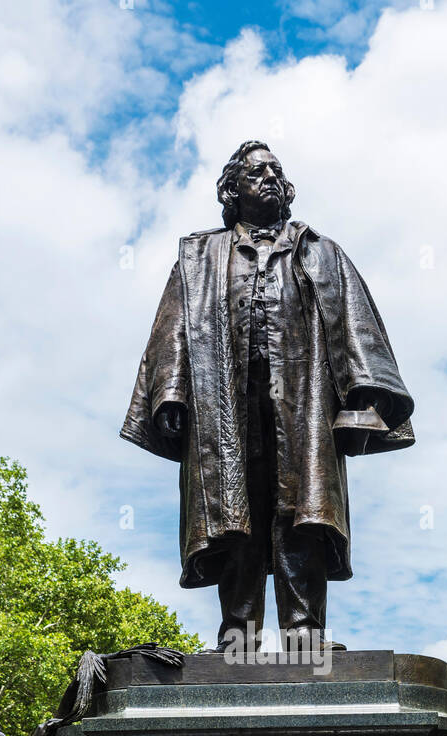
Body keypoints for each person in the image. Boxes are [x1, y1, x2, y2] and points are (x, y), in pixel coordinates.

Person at [121, 140, 415, 651]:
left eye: (278, 170)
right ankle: (238, 637)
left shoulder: (317, 251)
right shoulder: (200, 257)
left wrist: (365, 399)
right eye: (259, 172)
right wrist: (170, 393)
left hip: (301, 407)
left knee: (300, 514)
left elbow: (356, 326)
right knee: (233, 518)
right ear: (233, 188)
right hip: (223, 408)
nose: (272, 178)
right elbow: (173, 330)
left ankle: (304, 633)